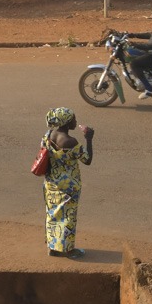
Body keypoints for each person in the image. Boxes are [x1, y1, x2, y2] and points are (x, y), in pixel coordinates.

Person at [40, 106, 94, 259]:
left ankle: (53, 248)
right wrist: (89, 138)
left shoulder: (48, 134)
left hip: (51, 183)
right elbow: (87, 159)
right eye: (73, 119)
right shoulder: (70, 141)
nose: (75, 122)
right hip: (68, 186)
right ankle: (69, 250)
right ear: (66, 123)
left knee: (52, 215)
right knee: (68, 218)